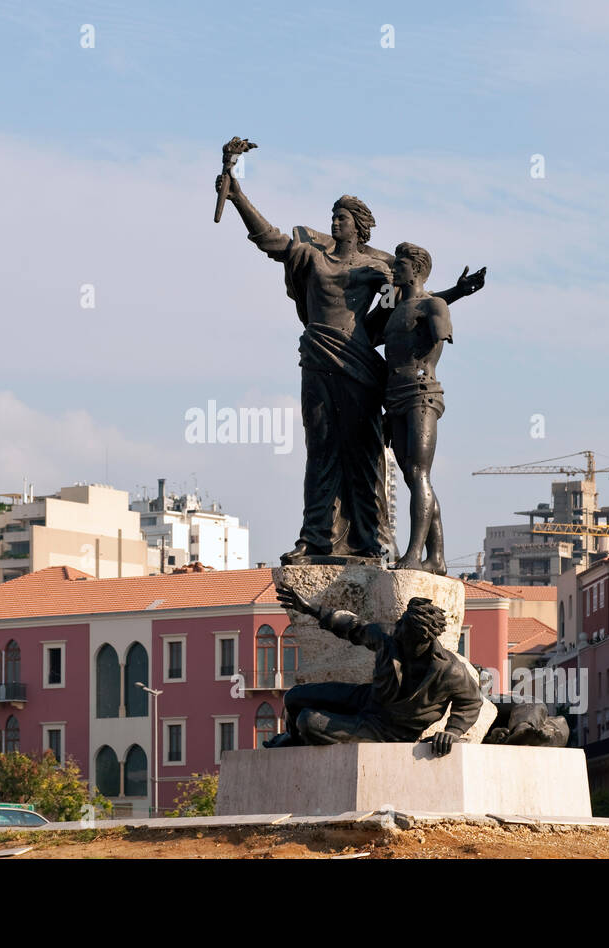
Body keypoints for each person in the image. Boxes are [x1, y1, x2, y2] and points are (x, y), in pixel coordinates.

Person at [217, 174, 393, 562]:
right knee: (320, 451)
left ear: (358, 227)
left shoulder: (374, 269)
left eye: (342, 218)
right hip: (317, 359)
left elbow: (410, 301)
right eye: (332, 217)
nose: (334, 223)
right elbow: (271, 240)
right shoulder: (311, 257)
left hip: (358, 365)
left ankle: (366, 539)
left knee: (362, 455)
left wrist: (450, 294)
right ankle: (314, 538)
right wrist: (237, 196)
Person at [265, 584, 496, 751]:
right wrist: (311, 609)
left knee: (308, 721)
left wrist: (452, 732)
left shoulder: (449, 670)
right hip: (368, 699)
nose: (397, 626)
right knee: (294, 697)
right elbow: (354, 627)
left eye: (403, 626)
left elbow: (471, 701)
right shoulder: (390, 637)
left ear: (421, 638)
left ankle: (303, 735)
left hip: (390, 732)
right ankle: (292, 738)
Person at [371, 241, 450, 573]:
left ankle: (414, 554)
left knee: (419, 474)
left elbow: (441, 332)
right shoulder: (395, 305)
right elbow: (371, 333)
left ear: (417, 270)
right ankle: (438, 558)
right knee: (412, 477)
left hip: (421, 393)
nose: (394, 269)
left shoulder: (433, 304)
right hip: (395, 398)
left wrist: (444, 311)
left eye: (400, 264)